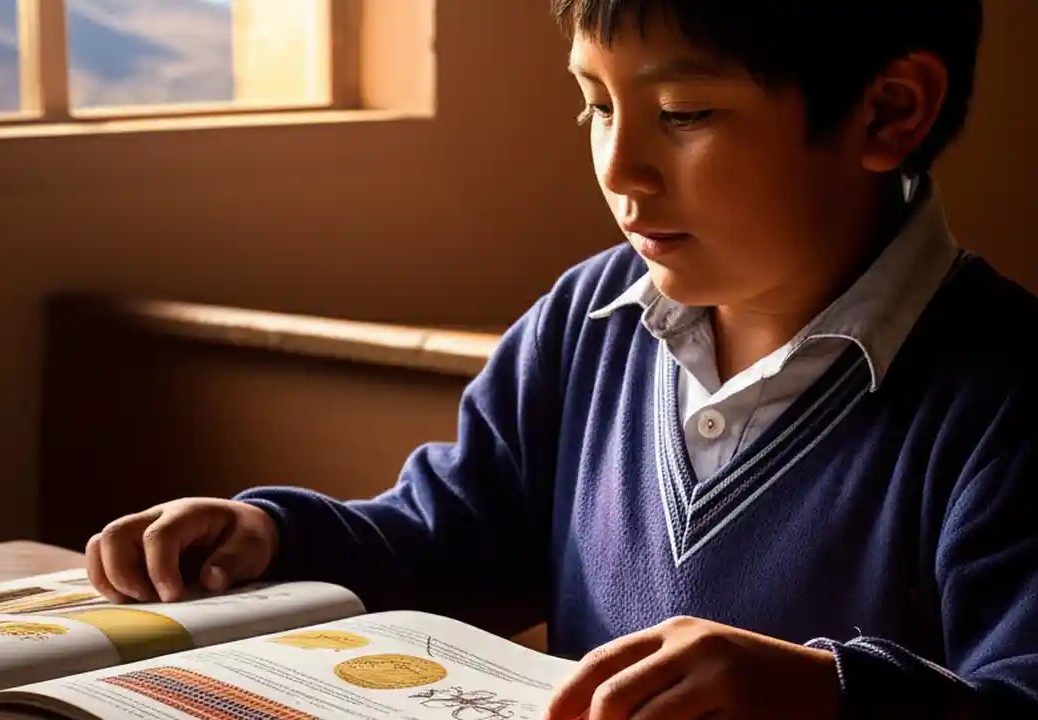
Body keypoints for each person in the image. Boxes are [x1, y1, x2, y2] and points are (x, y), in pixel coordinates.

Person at [86, 0, 1038, 716]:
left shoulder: (1002, 393)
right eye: (593, 104)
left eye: (685, 113)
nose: (620, 170)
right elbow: (451, 543)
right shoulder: (587, 319)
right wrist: (274, 536)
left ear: (888, 112)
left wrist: (829, 697)